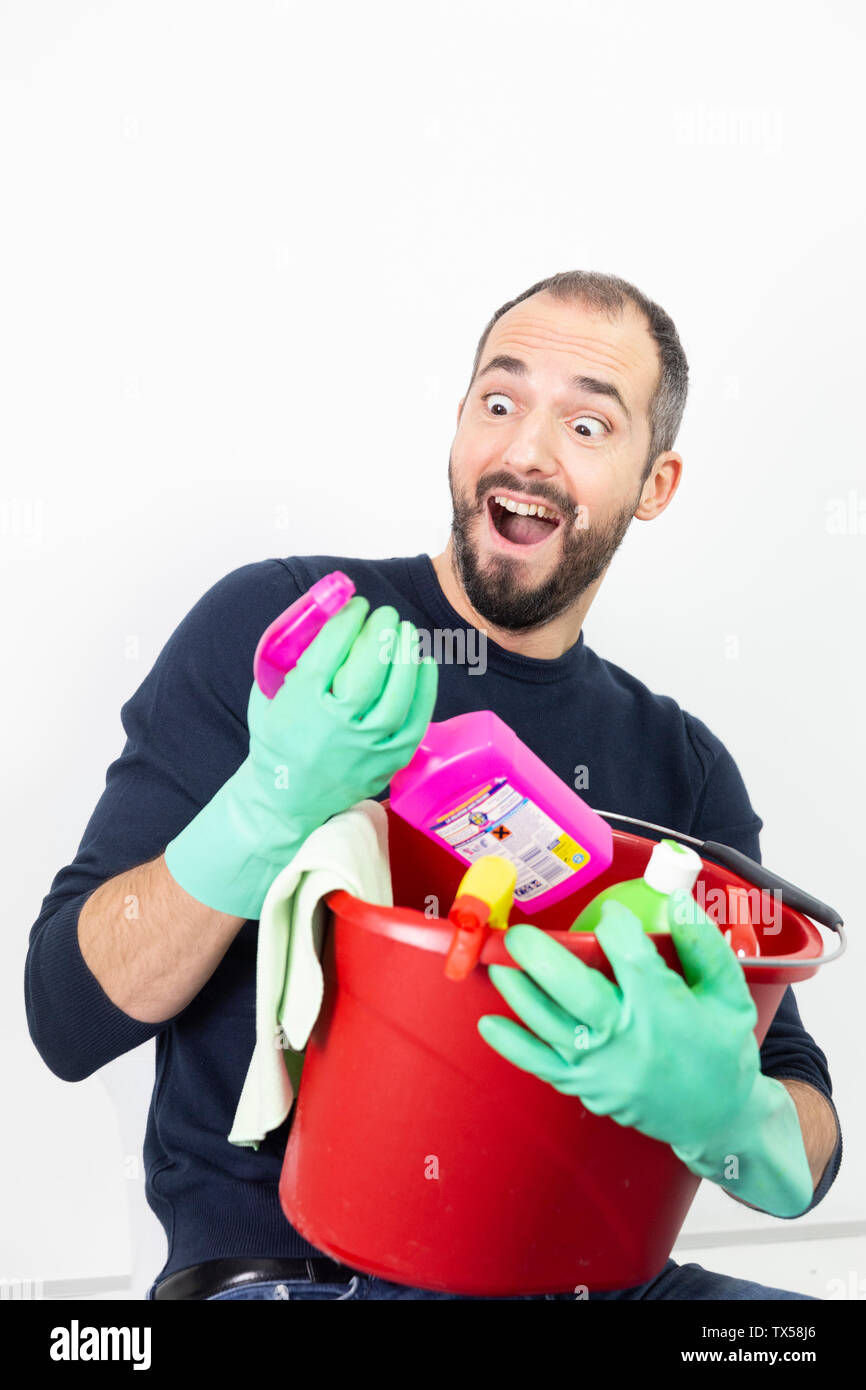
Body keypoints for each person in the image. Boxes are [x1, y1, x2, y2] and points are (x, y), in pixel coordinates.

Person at [25, 270, 842, 1301]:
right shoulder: (286, 631)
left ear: (655, 483)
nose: (526, 452)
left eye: (587, 425)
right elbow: (66, 1015)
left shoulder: (680, 763)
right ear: (458, 423)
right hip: (301, 1279)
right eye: (498, 404)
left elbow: (801, 1148)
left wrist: (730, 1117)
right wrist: (265, 804)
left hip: (602, 1284)